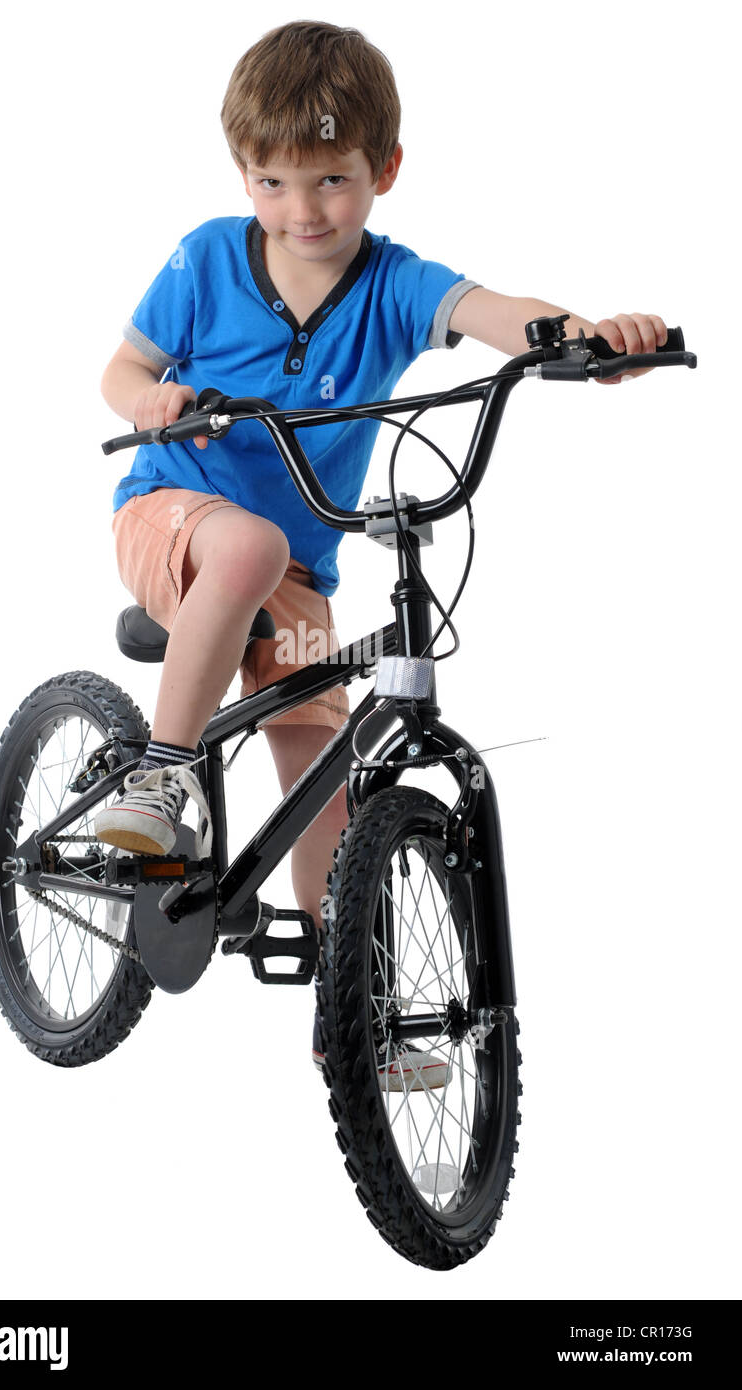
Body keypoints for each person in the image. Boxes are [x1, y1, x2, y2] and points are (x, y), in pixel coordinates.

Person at [93, 20, 667, 1084]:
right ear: (241, 174)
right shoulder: (208, 256)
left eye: (330, 180)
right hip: (173, 511)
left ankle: (345, 1013)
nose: (301, 211)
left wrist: (588, 339)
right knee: (248, 545)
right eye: (272, 181)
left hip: (298, 567)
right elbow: (119, 373)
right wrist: (156, 399)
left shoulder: (394, 284)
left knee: (325, 768)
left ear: (384, 170)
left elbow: (494, 311)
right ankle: (163, 772)